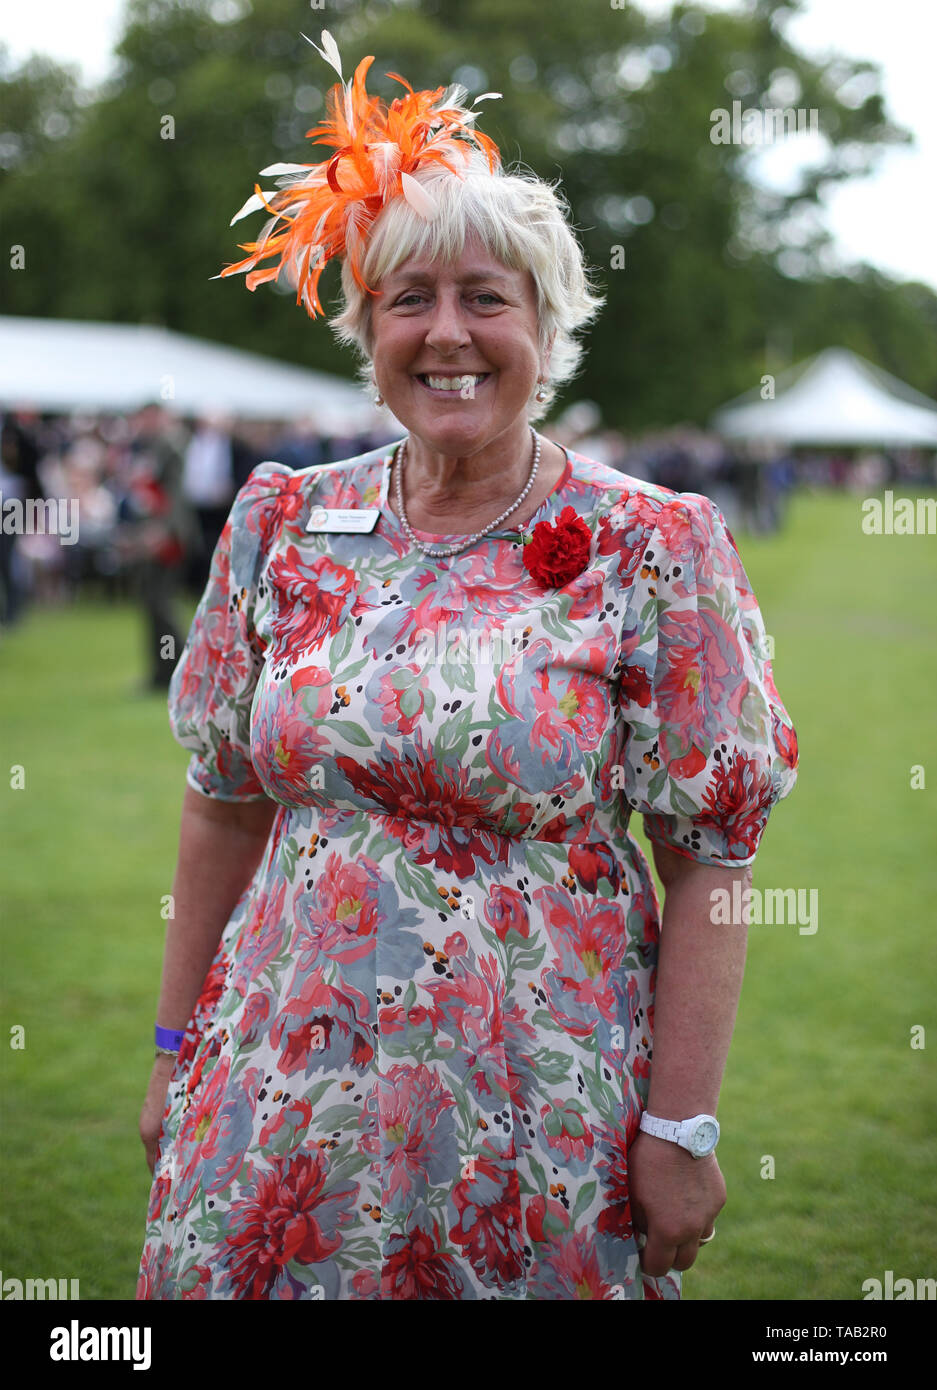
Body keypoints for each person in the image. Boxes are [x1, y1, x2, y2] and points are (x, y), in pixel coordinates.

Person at [137, 33, 799, 1301]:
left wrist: (681, 1128)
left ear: (547, 327)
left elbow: (713, 854)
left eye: (487, 297)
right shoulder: (280, 519)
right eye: (410, 300)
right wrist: (173, 1049)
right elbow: (222, 799)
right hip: (276, 1088)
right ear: (365, 326)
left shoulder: (653, 543)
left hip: (538, 1105)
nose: (449, 334)